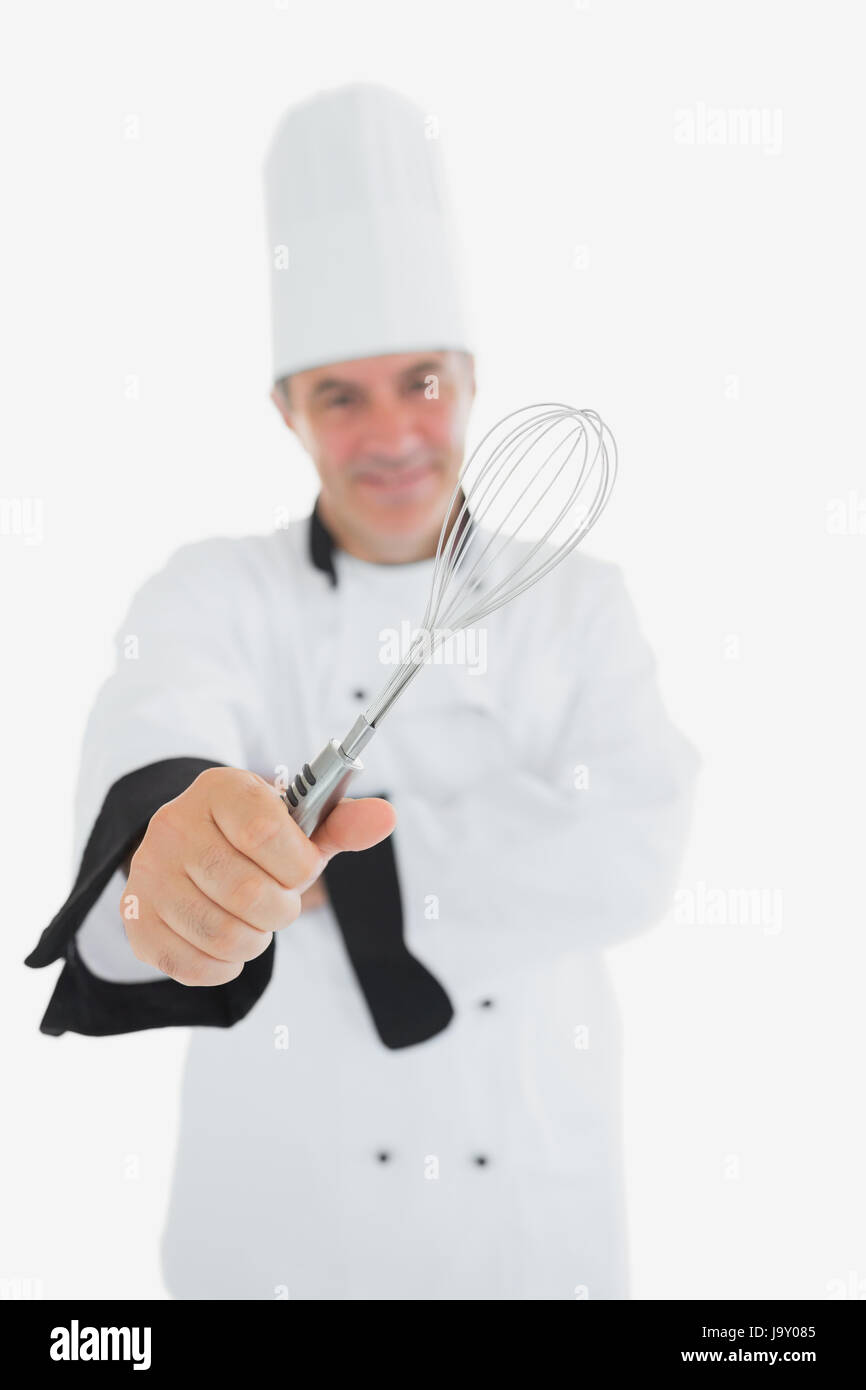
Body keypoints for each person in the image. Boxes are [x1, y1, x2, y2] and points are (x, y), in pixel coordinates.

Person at [24, 82, 700, 1300]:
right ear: (285, 409)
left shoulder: (578, 600)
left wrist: (337, 873)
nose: (392, 430)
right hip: (278, 1242)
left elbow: (634, 851)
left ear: (473, 379)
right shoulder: (213, 592)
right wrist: (173, 847)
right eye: (340, 392)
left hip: (530, 1235)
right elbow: (159, 732)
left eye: (421, 381)